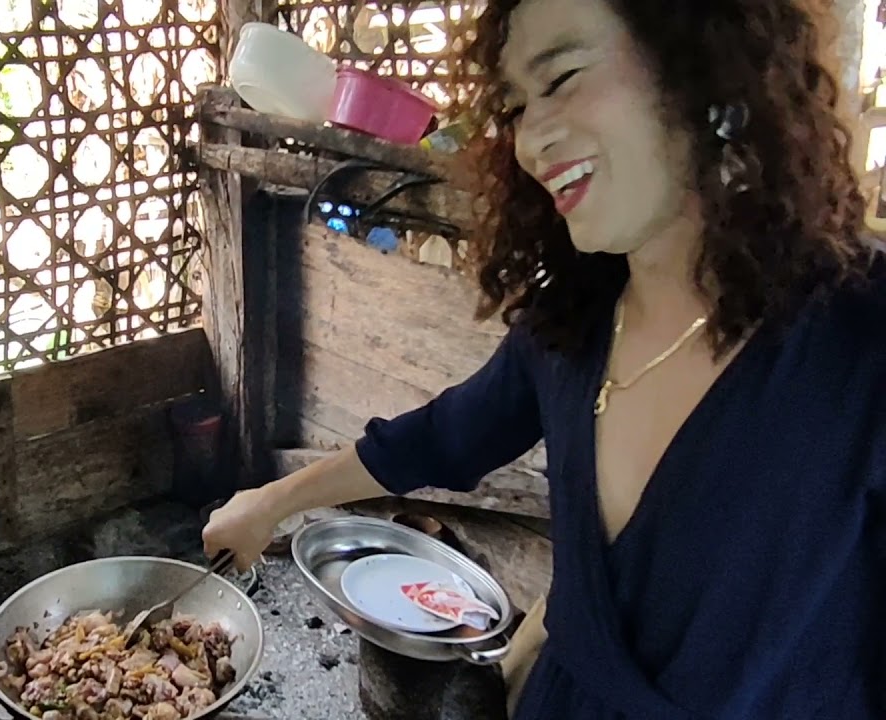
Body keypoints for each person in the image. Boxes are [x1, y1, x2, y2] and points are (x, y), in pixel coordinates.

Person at [202, 0, 886, 717]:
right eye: (518, 107)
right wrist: (269, 504)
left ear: (702, 70)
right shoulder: (574, 327)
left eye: (561, 79)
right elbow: (441, 438)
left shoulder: (857, 338)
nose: (531, 141)